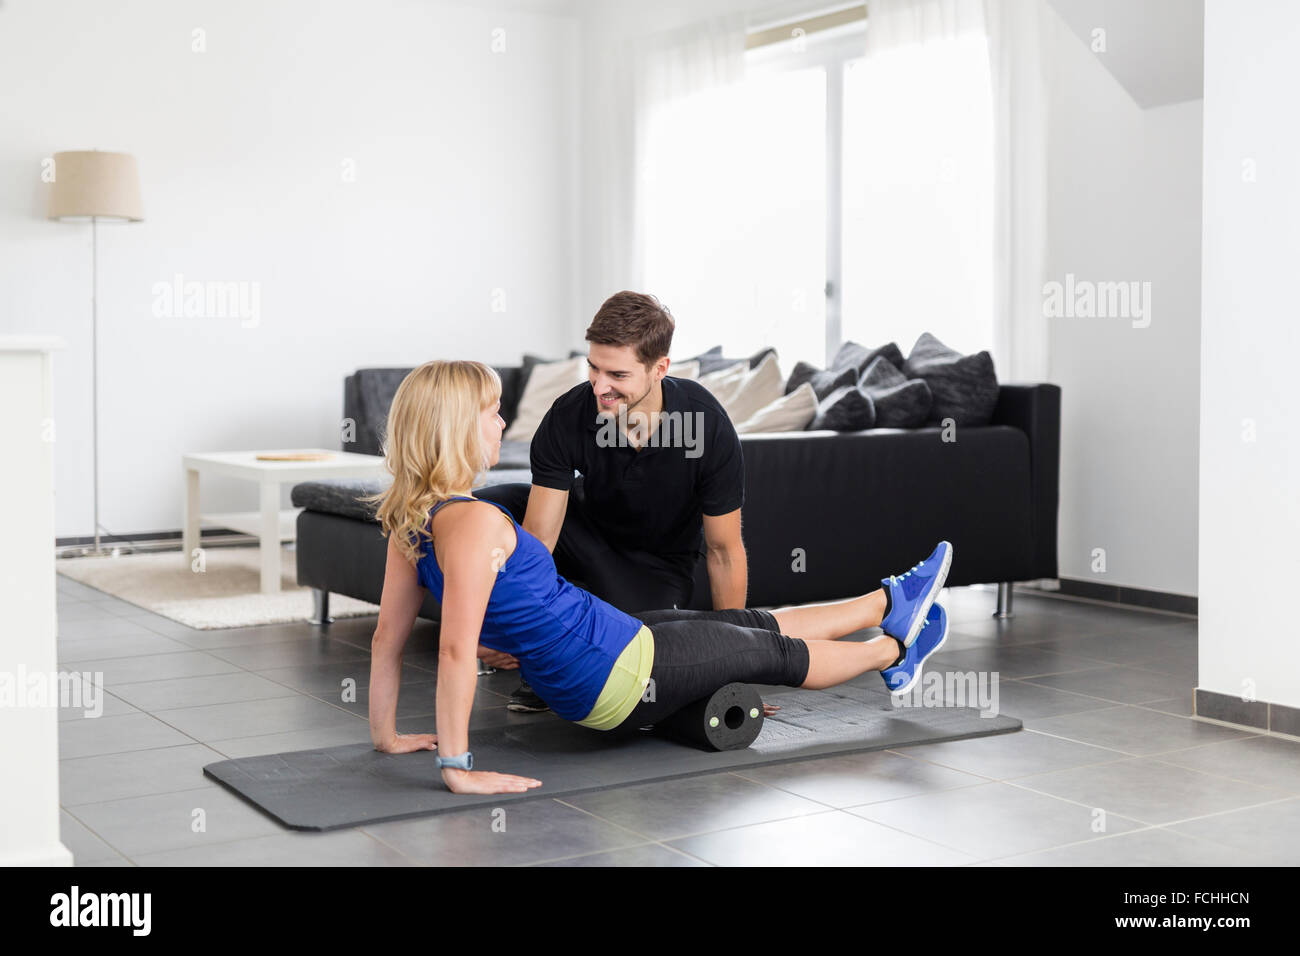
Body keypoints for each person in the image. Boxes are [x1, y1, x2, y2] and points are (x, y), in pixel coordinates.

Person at [365, 360, 952, 795]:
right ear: (454, 427)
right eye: (490, 413)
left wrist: (387, 737)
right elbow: (454, 649)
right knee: (768, 654)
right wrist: (458, 768)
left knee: (744, 625)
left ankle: (890, 599)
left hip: (610, 647)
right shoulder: (471, 523)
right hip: (611, 671)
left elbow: (386, 639)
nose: (499, 424)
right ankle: (896, 649)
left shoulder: (413, 519)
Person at [476, 292, 748, 713]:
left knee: (639, 648)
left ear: (660, 369)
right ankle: (542, 642)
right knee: (479, 511)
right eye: (593, 367)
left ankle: (560, 645)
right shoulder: (569, 415)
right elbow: (540, 541)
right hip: (585, 535)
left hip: (655, 566)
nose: (599, 386)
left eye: (617, 375)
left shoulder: (705, 425)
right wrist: (505, 625)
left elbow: (724, 551)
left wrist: (735, 667)